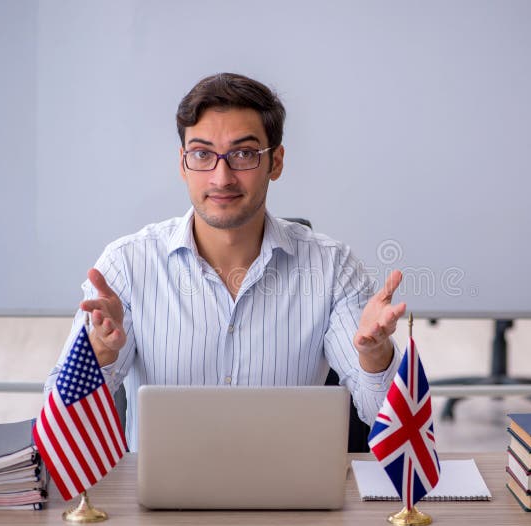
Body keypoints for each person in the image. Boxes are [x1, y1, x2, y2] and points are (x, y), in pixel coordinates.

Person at [44, 73, 406, 450]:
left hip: (293, 503)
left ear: (276, 162)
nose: (221, 177)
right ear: (183, 164)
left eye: (244, 154)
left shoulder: (333, 269)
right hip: (162, 504)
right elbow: (62, 428)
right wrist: (100, 353)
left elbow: (387, 423)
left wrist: (375, 357)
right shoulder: (126, 265)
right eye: (202, 154)